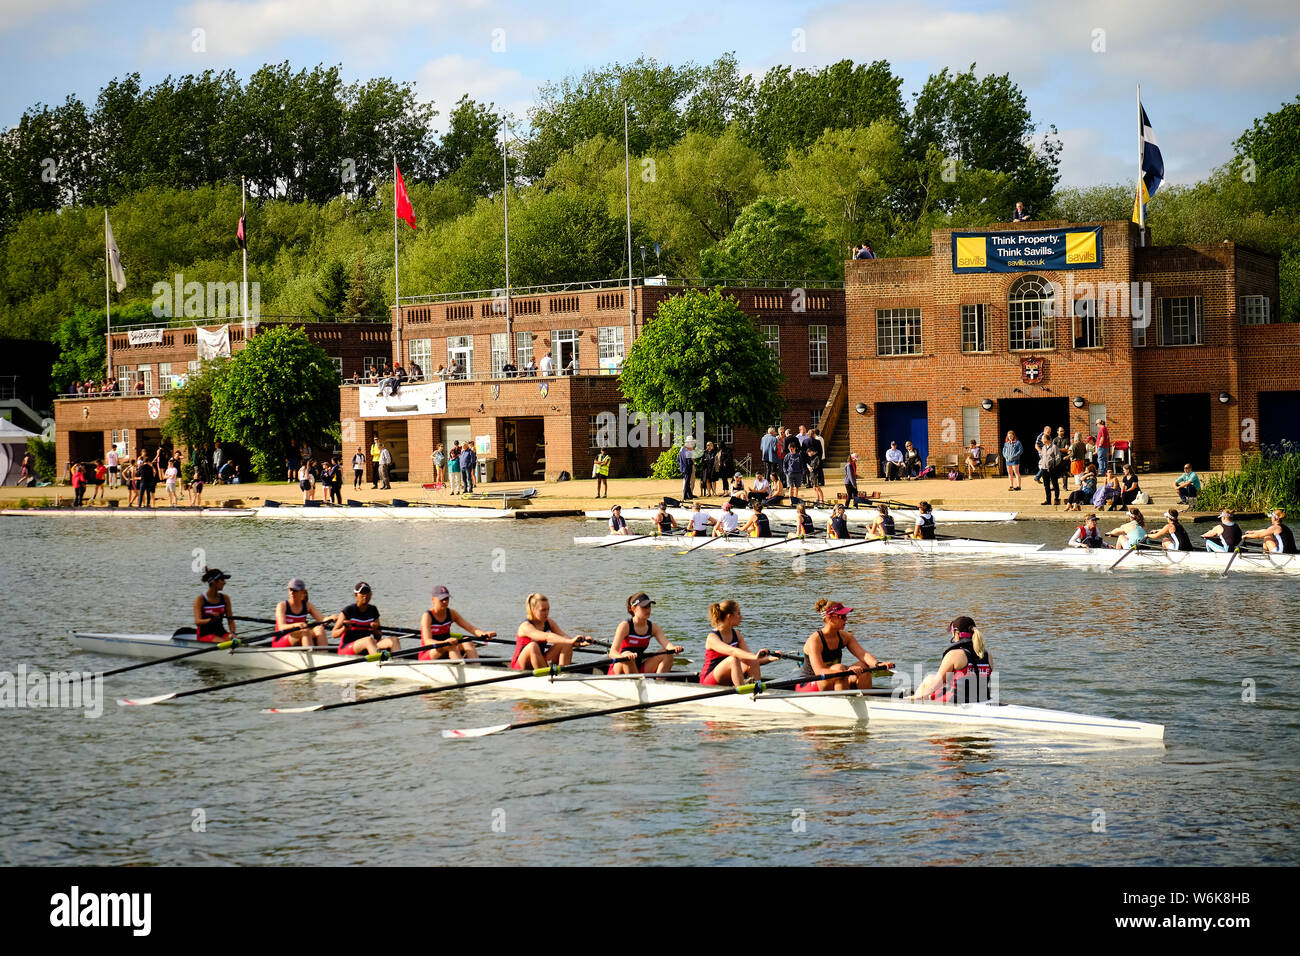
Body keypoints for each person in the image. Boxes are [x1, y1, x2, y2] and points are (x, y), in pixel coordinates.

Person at [795, 600, 892, 693]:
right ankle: (843, 704)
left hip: (835, 679)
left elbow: (863, 654)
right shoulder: (815, 640)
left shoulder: (845, 637)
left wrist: (877, 664)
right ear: (830, 618)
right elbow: (819, 671)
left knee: (863, 667)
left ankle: (867, 703)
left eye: (845, 616)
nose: (846, 619)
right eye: (842, 616)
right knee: (839, 668)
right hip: (808, 683)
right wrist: (846, 670)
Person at [907, 616, 993, 703]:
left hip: (957, 700)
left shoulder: (953, 654)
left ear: (956, 633)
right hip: (983, 698)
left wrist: (917, 697)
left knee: (928, 681)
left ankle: (914, 706)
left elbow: (936, 684)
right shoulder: (988, 655)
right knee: (930, 678)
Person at [700, 600, 774, 687]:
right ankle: (742, 693)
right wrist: (754, 656)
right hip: (709, 681)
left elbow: (751, 657)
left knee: (751, 660)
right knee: (733, 659)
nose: (741, 617)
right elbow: (732, 651)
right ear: (729, 616)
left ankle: (757, 688)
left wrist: (771, 658)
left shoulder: (737, 634)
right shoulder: (713, 637)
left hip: (729, 677)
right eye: (738, 614)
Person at [511, 593, 591, 670]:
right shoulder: (525, 626)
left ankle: (564, 674)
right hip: (520, 666)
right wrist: (570, 641)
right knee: (533, 646)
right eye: (543, 610)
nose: (547, 613)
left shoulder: (549, 622)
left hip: (539, 661)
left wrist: (580, 643)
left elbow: (564, 637)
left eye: (548, 609)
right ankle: (545, 677)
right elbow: (547, 637)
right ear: (533, 610)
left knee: (566, 643)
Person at [609, 593, 683, 676]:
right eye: (644, 607)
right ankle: (636, 683)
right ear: (634, 609)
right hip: (619, 669)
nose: (648, 610)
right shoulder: (625, 626)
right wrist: (624, 657)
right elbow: (612, 653)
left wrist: (674, 648)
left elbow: (667, 644)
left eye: (649, 606)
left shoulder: (653, 627)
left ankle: (660, 683)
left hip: (638, 667)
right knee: (627, 654)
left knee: (667, 653)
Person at [418, 585, 495, 660]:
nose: (445, 602)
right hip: (428, 653)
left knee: (467, 641)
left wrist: (484, 634)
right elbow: (427, 641)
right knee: (451, 645)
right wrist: (444, 642)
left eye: (446, 598)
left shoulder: (451, 613)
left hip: (447, 648)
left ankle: (476, 667)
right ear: (433, 599)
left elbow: (471, 628)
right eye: (441, 599)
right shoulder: (427, 616)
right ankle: (460, 668)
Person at [332, 582, 399, 656]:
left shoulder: (373, 610)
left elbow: (378, 636)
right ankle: (379, 663)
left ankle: (399, 663)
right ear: (356, 595)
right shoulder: (348, 610)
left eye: (367, 593)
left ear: (371, 594)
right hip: (347, 648)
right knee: (369, 640)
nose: (365, 596)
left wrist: (375, 630)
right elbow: (334, 634)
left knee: (394, 640)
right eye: (362, 593)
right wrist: (344, 628)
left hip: (367, 646)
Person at [273, 578, 331, 647]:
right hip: (281, 639)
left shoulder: (307, 605)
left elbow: (322, 621)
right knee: (305, 632)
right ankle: (310, 654)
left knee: (320, 629)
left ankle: (323, 654)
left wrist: (332, 618)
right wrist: (295, 625)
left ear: (302, 592)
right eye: (290, 590)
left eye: (295, 590)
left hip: (300, 634)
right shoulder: (282, 606)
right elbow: (281, 627)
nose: (292, 593)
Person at [193, 568, 236, 643]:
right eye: (222, 580)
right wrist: (211, 619)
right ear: (214, 582)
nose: (224, 582)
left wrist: (232, 633)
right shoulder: (200, 599)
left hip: (221, 632)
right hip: (205, 634)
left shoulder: (225, 598)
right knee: (226, 643)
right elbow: (197, 622)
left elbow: (230, 620)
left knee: (237, 641)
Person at [1039, 434, 1064, 506]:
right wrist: (1041, 464)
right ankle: (1048, 500)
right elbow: (1042, 457)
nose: (1041, 440)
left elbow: (1058, 457)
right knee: (1046, 485)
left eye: (1042, 439)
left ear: (1047, 439)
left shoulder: (1054, 447)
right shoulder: (1043, 447)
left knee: (1055, 483)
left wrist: (1053, 465)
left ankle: (1056, 499)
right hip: (1044, 468)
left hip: (1052, 468)